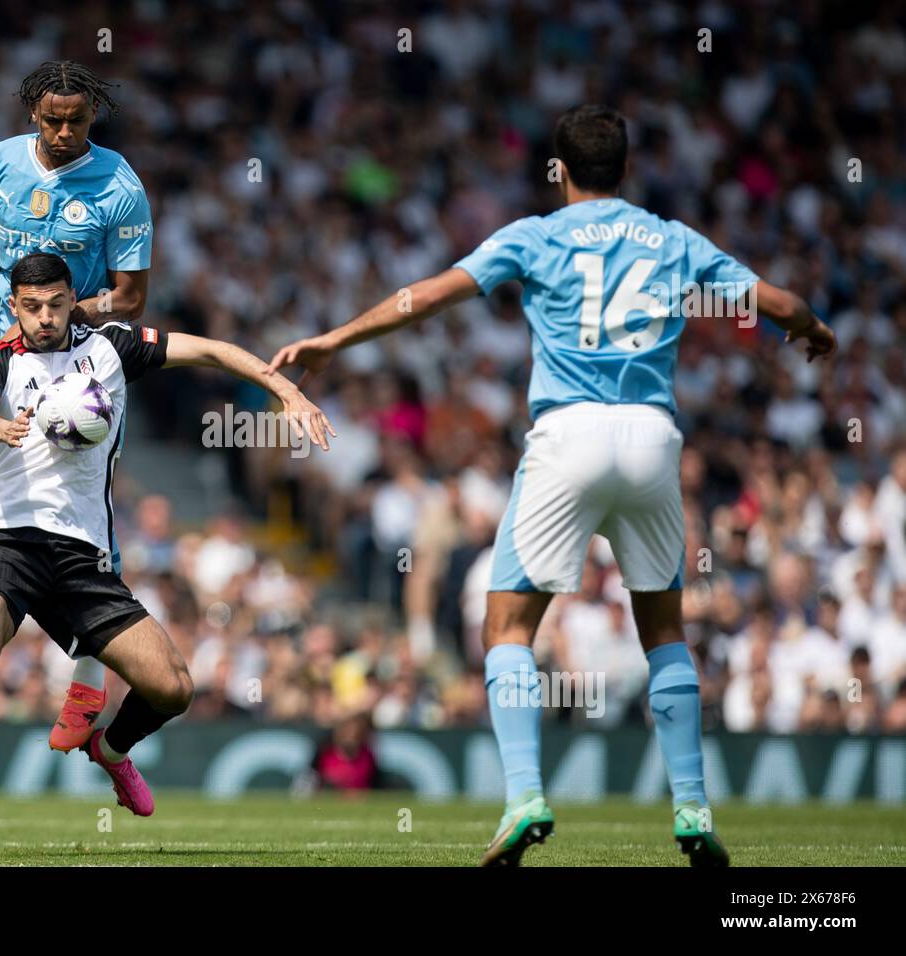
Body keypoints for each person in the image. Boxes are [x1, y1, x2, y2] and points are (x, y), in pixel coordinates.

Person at [267, 104, 836, 867]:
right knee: (665, 631)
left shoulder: (535, 235)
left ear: (559, 169)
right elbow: (781, 305)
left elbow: (428, 294)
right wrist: (811, 330)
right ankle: (694, 808)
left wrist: (336, 339)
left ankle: (525, 796)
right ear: (626, 168)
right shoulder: (671, 237)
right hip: (651, 439)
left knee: (507, 628)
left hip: (568, 436)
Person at [0, 252, 333, 854]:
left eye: (55, 304)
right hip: (3, 535)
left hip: (80, 555)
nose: (44, 318)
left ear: (71, 299)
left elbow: (212, 350)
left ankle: (109, 749)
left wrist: (283, 388)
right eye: (31, 307)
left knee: (173, 687)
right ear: (14, 306)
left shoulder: (113, 346)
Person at [0, 60, 154, 751]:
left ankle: (88, 676)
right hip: (4, 361)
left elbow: (131, 297)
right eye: (52, 120)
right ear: (31, 114)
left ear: (92, 117)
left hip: (83, 370)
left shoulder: (119, 186)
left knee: (84, 504)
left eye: (77, 120)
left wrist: (73, 311)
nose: (65, 131)